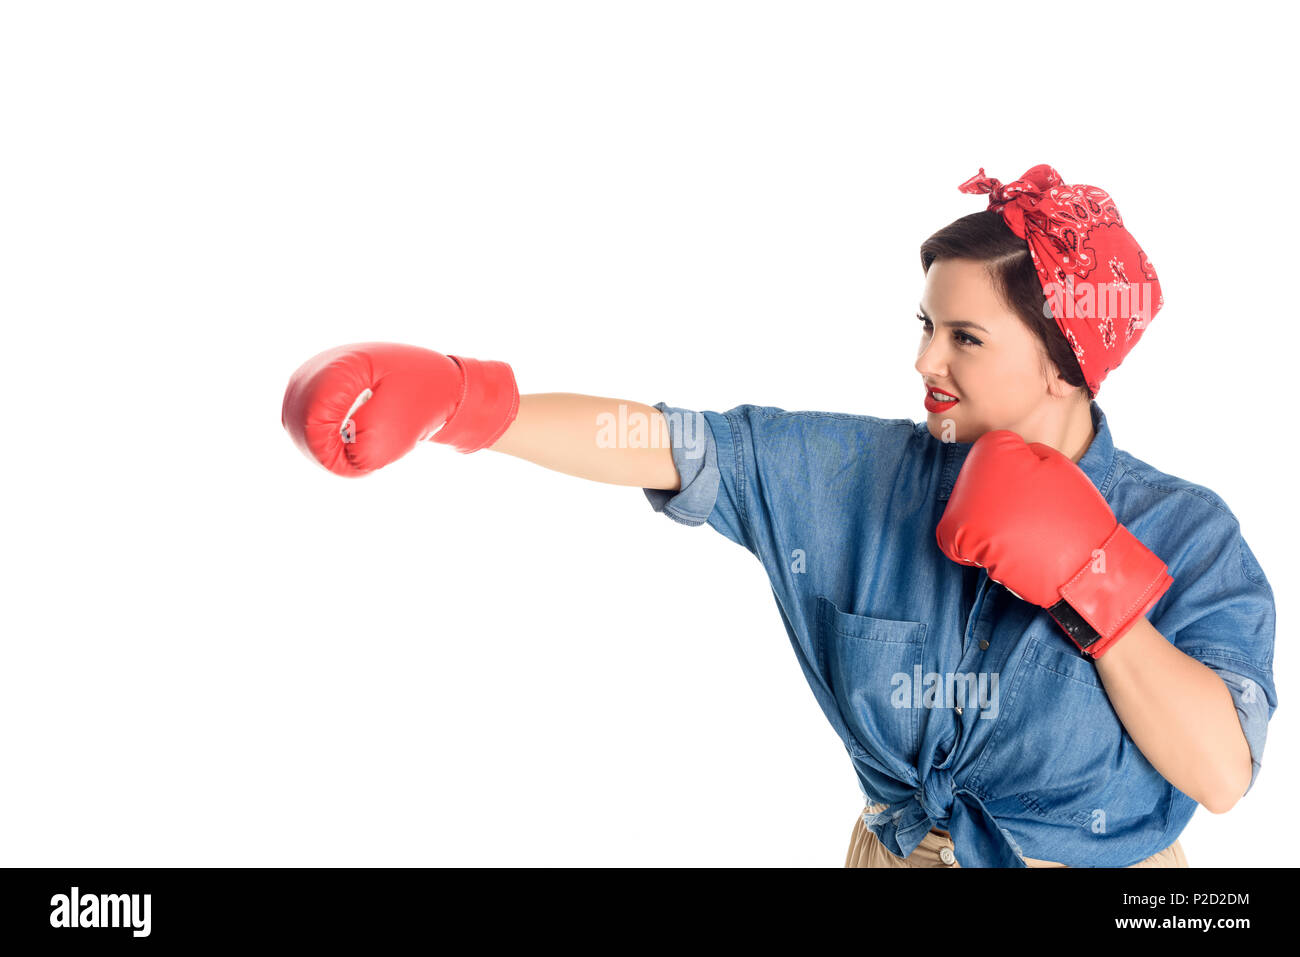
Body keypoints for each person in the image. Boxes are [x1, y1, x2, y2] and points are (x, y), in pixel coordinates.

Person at [280, 164, 1276, 868]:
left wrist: (1092, 581)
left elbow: (1222, 775)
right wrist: (466, 404)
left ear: (1065, 360)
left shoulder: (1186, 532)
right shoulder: (855, 473)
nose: (924, 364)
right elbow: (670, 442)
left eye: (964, 337)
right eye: (924, 327)